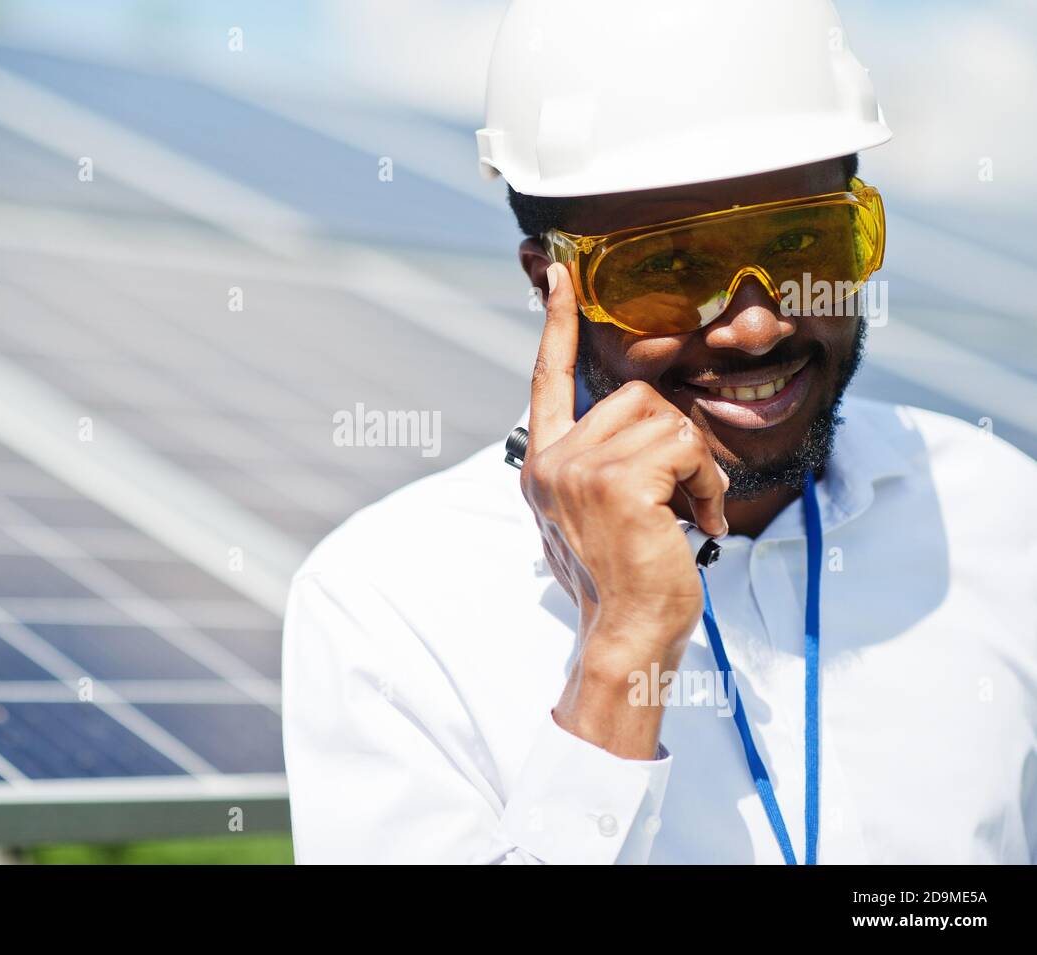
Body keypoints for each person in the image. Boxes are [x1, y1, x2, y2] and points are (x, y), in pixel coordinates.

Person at [281, 0, 1037, 863]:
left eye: (801, 241)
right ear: (550, 285)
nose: (754, 327)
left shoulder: (999, 515)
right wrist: (622, 656)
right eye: (670, 268)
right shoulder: (389, 606)